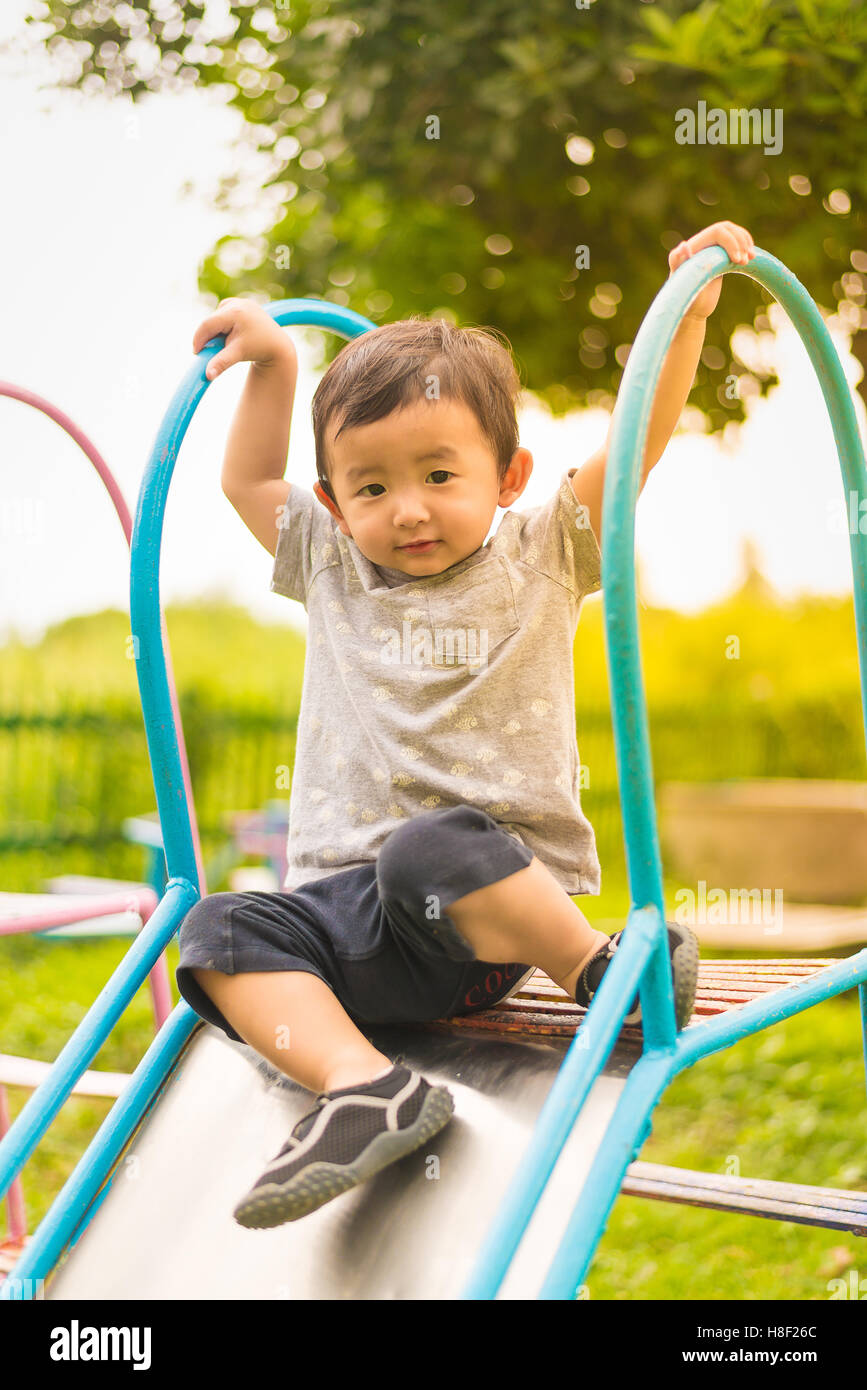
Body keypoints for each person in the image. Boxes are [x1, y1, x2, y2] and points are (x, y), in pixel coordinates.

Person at [176, 221, 755, 1230]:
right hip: (357, 924)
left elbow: (632, 449)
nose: (407, 509)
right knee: (219, 926)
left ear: (510, 477)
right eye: (372, 485)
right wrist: (272, 360)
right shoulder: (329, 564)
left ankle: (600, 971)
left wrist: (687, 316)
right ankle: (367, 1089)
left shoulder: (541, 555)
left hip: (485, 906)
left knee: (429, 846)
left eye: (440, 475)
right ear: (332, 502)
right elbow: (246, 480)